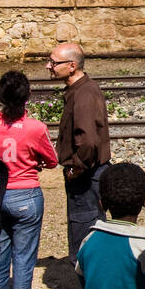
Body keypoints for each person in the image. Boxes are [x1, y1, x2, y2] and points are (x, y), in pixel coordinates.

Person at [0, 70, 59, 289]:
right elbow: (52, 160)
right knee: (24, 263)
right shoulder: (36, 128)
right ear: (27, 96)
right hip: (26, 195)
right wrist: (33, 161)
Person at [48, 42, 110, 265]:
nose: (49, 66)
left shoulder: (83, 94)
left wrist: (75, 167)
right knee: (89, 230)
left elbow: (88, 141)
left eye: (54, 62)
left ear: (71, 66)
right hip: (88, 174)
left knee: (85, 235)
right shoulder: (81, 90)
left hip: (86, 177)